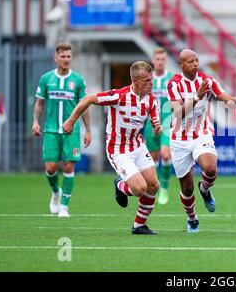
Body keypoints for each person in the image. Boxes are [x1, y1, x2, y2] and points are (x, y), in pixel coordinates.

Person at [63, 61, 162, 234]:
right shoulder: (119, 95)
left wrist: (157, 127)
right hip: (118, 149)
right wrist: (71, 121)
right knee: (139, 189)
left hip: (138, 146)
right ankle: (120, 185)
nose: (151, 83)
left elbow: (156, 127)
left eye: (151, 79)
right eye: (147, 80)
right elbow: (88, 99)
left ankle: (139, 225)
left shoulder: (151, 100)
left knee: (153, 185)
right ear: (135, 81)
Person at [167, 49, 236, 233]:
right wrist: (197, 97)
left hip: (202, 134)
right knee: (186, 188)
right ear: (182, 64)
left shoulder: (207, 81)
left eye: (197, 60)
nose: (195, 64)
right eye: (191, 61)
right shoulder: (174, 84)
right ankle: (192, 218)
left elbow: (228, 100)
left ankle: (204, 189)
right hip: (179, 139)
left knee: (210, 168)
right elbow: (178, 113)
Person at [32, 43, 91, 218]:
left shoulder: (78, 80)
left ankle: (64, 206)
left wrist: (88, 130)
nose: (66, 59)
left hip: (71, 131)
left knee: (68, 166)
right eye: (63, 56)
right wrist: (35, 122)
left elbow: (84, 107)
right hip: (50, 130)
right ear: (56, 58)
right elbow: (39, 104)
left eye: (69, 56)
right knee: (50, 168)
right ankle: (55, 192)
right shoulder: (46, 79)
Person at [143, 48, 174, 205]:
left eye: (163, 59)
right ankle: (154, 188)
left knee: (166, 155)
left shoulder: (172, 79)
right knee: (153, 159)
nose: (160, 62)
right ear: (153, 60)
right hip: (150, 124)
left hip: (168, 123)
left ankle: (164, 188)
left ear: (165, 60)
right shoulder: (147, 79)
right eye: (158, 59)